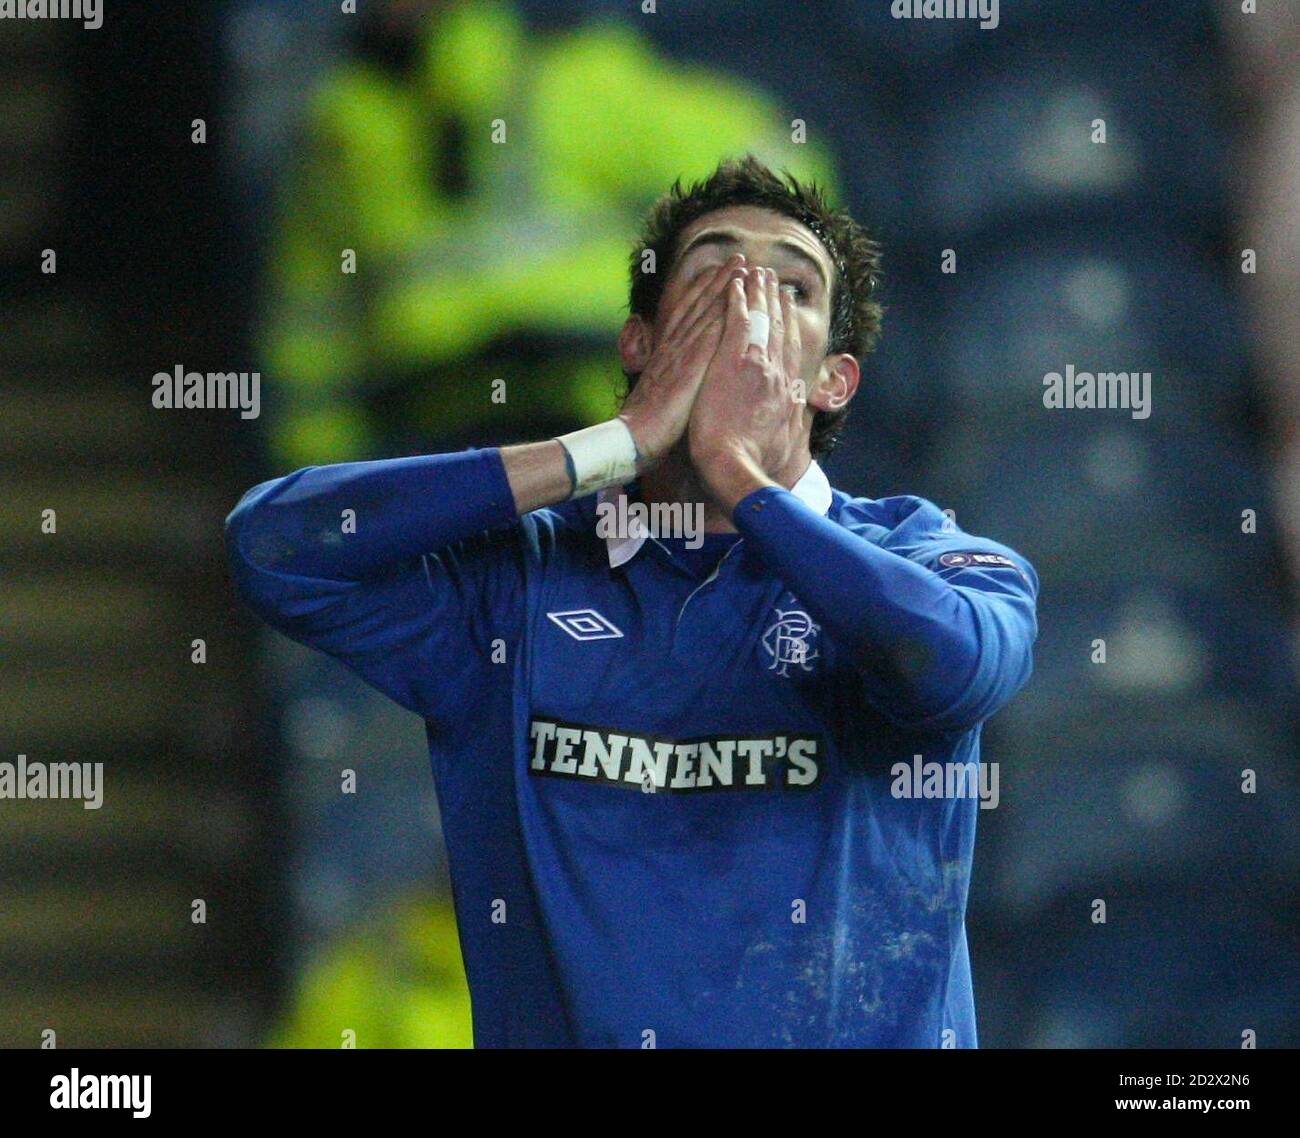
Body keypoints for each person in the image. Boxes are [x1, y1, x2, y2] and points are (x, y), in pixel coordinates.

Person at [226, 155, 1039, 1047]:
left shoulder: (925, 556)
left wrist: (741, 478)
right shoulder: (514, 586)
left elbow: (949, 667)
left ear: (831, 382)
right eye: (711, 275)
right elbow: (279, 549)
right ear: (641, 344)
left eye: (790, 289)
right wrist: (610, 447)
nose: (747, 303)